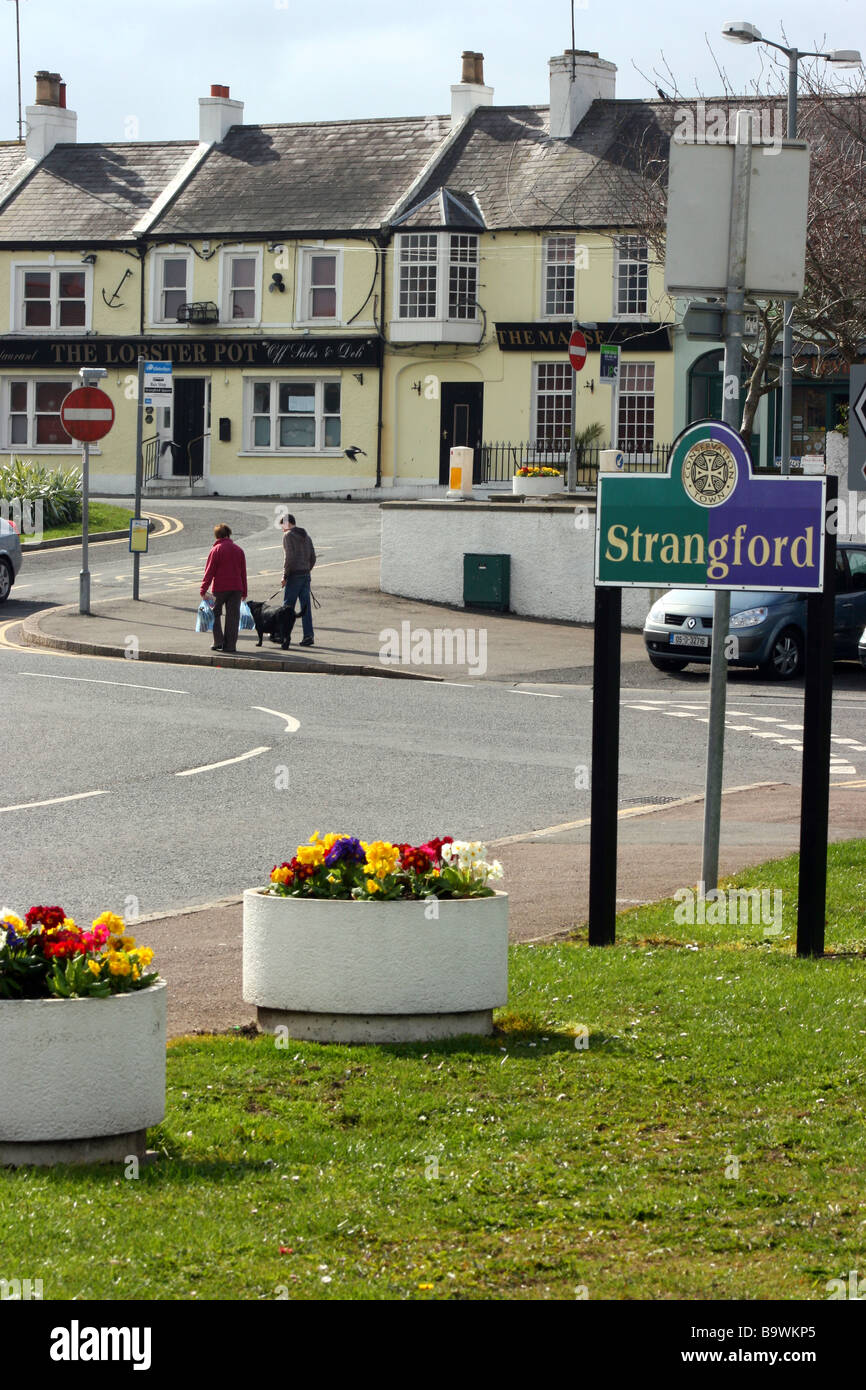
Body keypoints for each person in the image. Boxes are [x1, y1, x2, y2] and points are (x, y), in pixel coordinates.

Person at [200, 523, 247, 654]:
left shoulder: (216, 550)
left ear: (217, 536)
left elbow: (209, 572)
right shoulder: (239, 550)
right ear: (228, 534)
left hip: (220, 588)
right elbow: (243, 573)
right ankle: (230, 645)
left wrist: (203, 589)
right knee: (233, 617)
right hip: (236, 588)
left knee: (215, 614)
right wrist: (244, 591)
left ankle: (218, 641)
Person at [281, 513, 317, 646]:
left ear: (287, 523)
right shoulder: (306, 536)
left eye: (283, 526)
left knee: (287, 607)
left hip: (294, 575)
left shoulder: (288, 536)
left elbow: (289, 558)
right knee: (305, 606)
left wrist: (285, 576)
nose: (282, 529)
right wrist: (307, 569)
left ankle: (282, 635)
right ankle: (308, 636)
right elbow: (313, 557)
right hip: (306, 575)